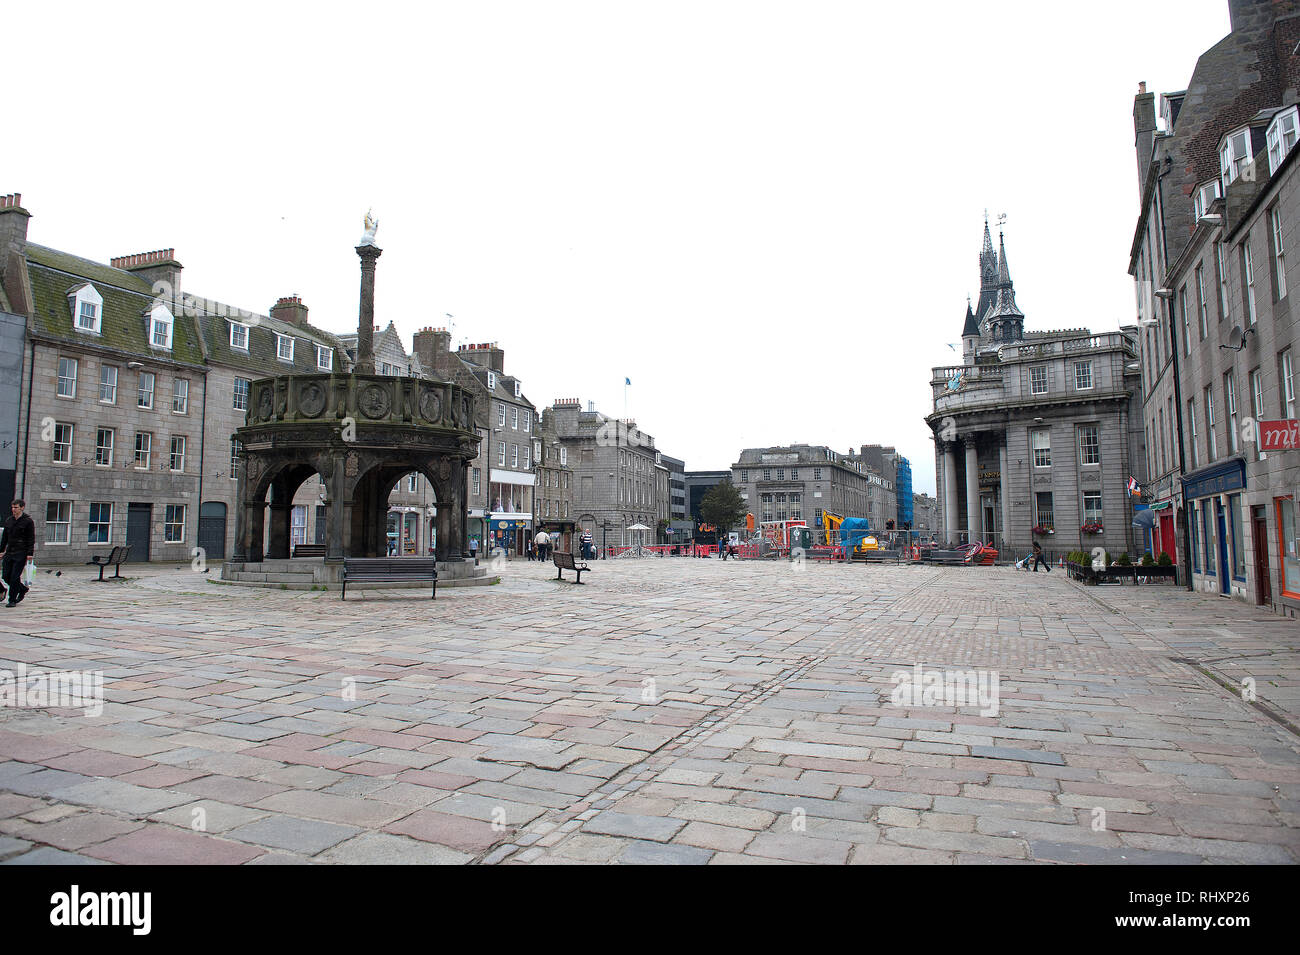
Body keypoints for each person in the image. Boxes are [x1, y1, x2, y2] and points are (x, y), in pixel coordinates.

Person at [2, 500, 36, 607]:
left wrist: (30, 553)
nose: (13, 510)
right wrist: (1, 550)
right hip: (10, 552)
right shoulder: (9, 520)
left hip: (21, 552)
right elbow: (4, 538)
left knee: (14, 577)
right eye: (12, 507)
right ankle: (22, 589)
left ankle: (12, 600)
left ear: (22, 508)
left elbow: (31, 538)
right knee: (6, 576)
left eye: (16, 507)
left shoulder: (28, 521)